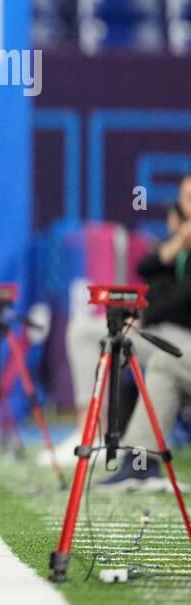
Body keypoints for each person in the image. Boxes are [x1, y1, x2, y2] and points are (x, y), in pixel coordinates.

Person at [97, 174, 191, 491]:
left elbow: (181, 299)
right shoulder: (180, 245)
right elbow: (148, 268)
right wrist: (178, 241)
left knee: (161, 358)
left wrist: (145, 316)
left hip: (180, 335)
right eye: (184, 196)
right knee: (157, 359)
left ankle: (138, 462)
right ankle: (135, 460)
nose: (186, 203)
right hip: (169, 337)